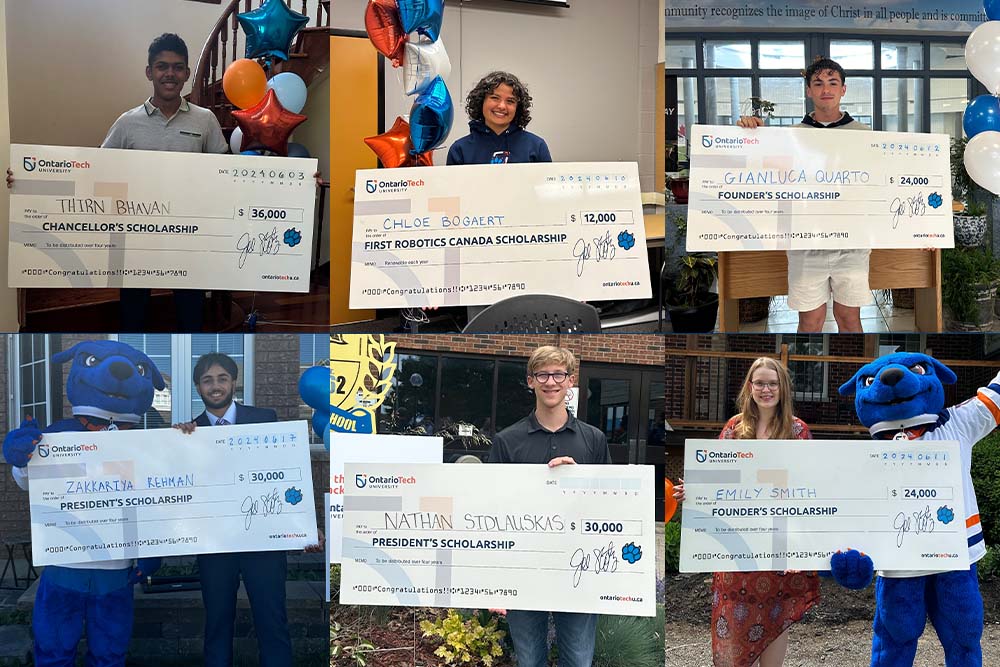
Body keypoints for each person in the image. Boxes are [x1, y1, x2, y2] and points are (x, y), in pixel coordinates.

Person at [173, 352, 320, 667]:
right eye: (207, 380)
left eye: (222, 378)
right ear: (198, 387)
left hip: (263, 544)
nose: (215, 386)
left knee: (272, 622)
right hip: (215, 546)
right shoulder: (188, 434)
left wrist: (306, 525)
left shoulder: (264, 419)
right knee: (216, 624)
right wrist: (176, 447)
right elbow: (182, 488)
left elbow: (287, 475)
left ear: (233, 382)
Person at [673, 357, 819, 667]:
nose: (766, 389)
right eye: (760, 383)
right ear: (750, 387)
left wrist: (798, 547)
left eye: (773, 383)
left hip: (778, 549)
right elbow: (717, 479)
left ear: (783, 388)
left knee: (775, 626)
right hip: (736, 550)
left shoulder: (798, 430)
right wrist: (694, 493)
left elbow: (808, 487)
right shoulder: (734, 428)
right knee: (733, 641)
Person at [489, 345, 610, 667]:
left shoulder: (594, 439)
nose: (550, 382)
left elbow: (609, 506)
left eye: (558, 374)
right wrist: (494, 584)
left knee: (579, 660)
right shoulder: (507, 441)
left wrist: (577, 482)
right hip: (523, 567)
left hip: (580, 566)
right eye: (542, 374)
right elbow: (492, 511)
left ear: (570, 381)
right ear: (530, 381)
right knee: (529, 660)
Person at [737, 57, 870, 334]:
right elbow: (764, 178)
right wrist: (753, 137)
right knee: (810, 322)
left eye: (833, 83)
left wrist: (922, 229)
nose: (826, 89)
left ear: (843, 89)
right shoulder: (790, 136)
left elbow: (884, 187)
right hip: (805, 243)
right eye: (818, 83)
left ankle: (855, 369)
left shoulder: (865, 135)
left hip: (852, 245)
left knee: (849, 319)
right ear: (808, 90)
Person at [446, 71, 551, 165]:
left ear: (518, 108)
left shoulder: (537, 146)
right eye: (495, 98)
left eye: (510, 101)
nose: (502, 106)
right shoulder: (460, 150)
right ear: (481, 101)